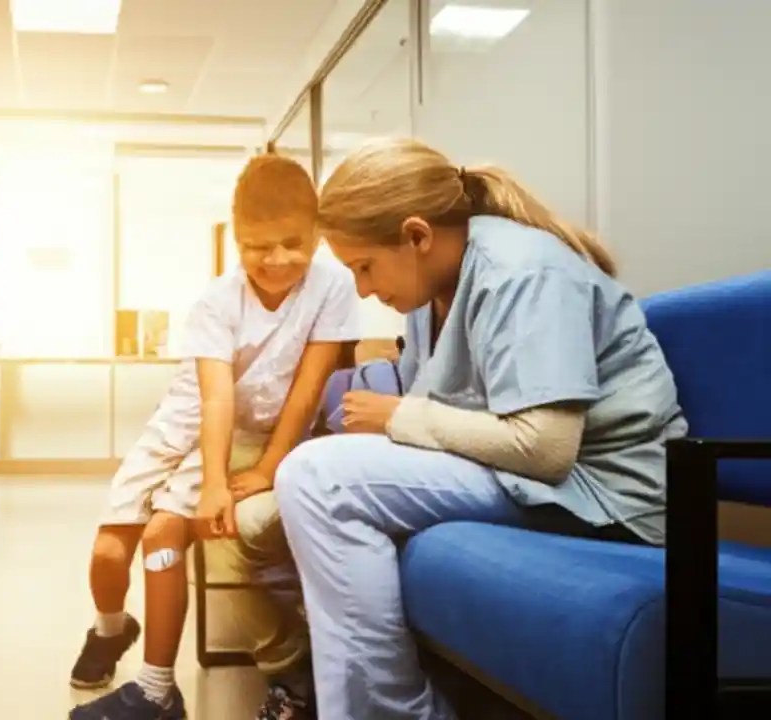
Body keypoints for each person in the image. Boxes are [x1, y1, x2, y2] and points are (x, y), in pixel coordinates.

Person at [272, 137, 687, 719]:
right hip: (537, 483)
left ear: (417, 235)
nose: (363, 290)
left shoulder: (524, 272)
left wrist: (399, 419)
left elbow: (545, 447)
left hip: (607, 496)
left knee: (320, 481)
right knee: (317, 477)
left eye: (363, 267)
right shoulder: (432, 293)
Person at [68, 153, 363, 720]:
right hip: (195, 417)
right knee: (110, 550)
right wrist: (210, 483)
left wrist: (266, 469)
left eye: (291, 243)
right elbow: (215, 398)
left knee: (162, 536)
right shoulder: (217, 301)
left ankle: (157, 690)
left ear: (318, 234)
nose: (275, 260)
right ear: (235, 241)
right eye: (257, 246)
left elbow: (306, 393)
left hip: (263, 430)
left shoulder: (332, 289)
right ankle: (111, 630)